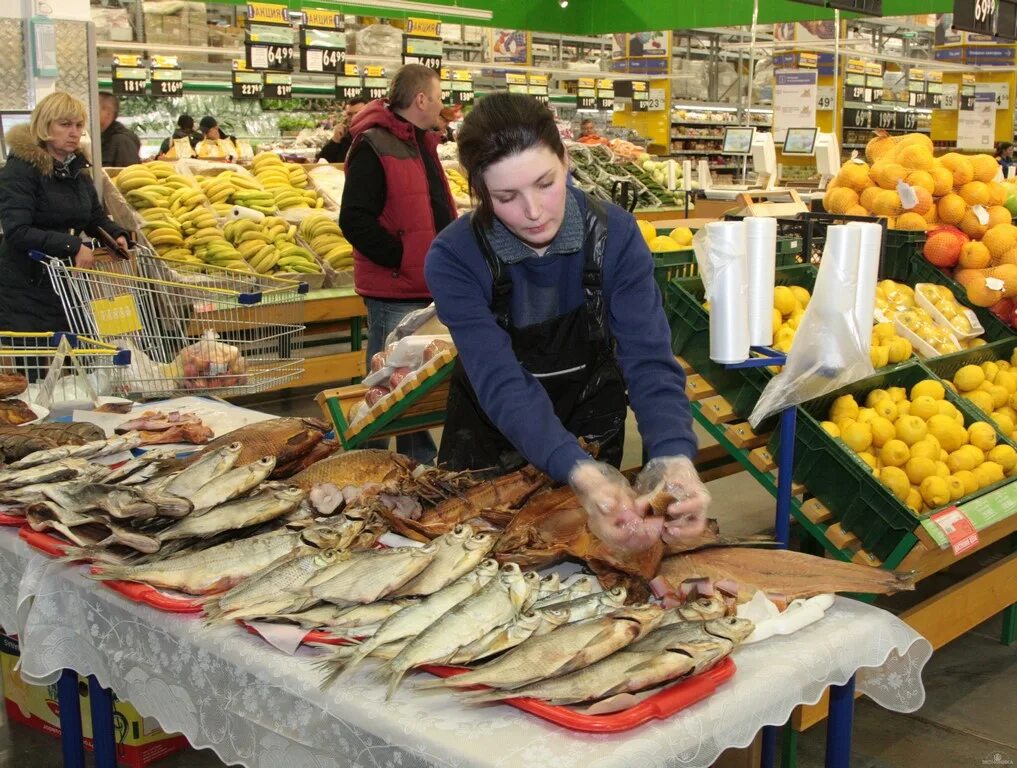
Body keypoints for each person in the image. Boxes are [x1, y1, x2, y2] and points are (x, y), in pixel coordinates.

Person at [424, 93, 708, 550]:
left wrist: (673, 456)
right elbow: (500, 379)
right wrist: (573, 468)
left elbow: (648, 359)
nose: (533, 211)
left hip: (593, 430)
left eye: (545, 183)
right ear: (476, 188)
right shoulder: (455, 258)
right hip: (489, 446)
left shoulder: (615, 237)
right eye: (506, 196)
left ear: (566, 159)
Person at [340, 64, 456, 464]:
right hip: (394, 290)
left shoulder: (421, 143)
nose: (443, 105)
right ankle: (366, 470)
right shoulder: (373, 145)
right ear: (421, 99)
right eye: (439, 96)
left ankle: (416, 471)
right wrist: (402, 257)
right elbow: (353, 218)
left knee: (415, 391)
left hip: (424, 286)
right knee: (385, 393)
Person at [0, 91, 131, 333]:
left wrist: (116, 235)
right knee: (38, 369)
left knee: (77, 363)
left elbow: (94, 216)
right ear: (44, 126)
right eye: (65, 124)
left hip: (69, 284)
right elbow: (17, 231)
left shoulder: (76, 169)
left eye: (79, 125)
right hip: (28, 290)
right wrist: (73, 245)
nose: (74, 132)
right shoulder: (20, 170)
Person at [317, 94, 369, 163]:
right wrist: (335, 141)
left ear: (367, 114)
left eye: (357, 113)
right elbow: (322, 161)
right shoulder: (344, 137)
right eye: (349, 114)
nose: (353, 118)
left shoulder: (374, 137)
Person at [97, 92, 140, 167]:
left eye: (94, 108)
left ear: (107, 112)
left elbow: (127, 175)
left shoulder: (122, 141)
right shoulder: (104, 137)